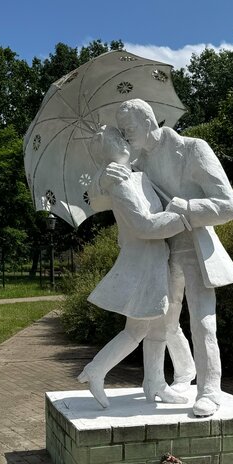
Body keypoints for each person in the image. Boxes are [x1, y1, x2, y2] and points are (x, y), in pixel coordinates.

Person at [107, 99, 233, 417]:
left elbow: (230, 205)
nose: (126, 138)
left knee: (203, 321)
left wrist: (189, 207)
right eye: (123, 133)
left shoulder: (194, 149)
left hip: (195, 248)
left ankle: (209, 391)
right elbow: (127, 205)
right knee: (160, 321)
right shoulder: (136, 164)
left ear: (149, 122)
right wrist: (109, 176)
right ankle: (154, 382)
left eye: (129, 130)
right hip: (161, 250)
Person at [77, 125, 194, 408]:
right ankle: (96, 371)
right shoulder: (118, 180)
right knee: (137, 330)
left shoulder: (136, 175)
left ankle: (154, 383)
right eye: (120, 138)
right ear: (117, 146)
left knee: (158, 327)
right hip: (143, 262)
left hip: (156, 260)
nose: (128, 140)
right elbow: (143, 225)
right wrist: (185, 217)